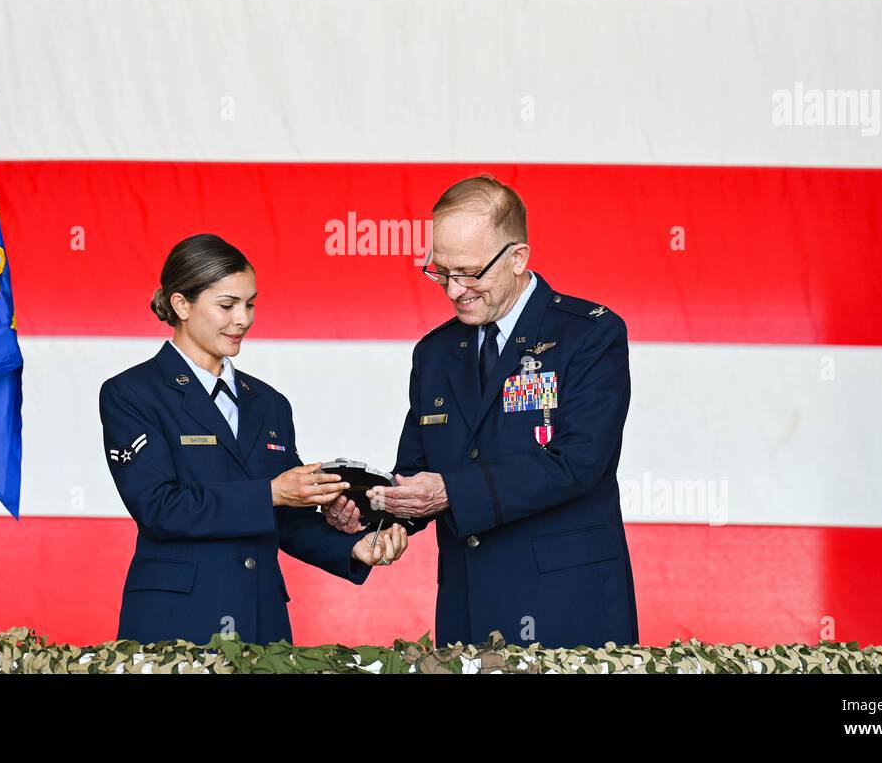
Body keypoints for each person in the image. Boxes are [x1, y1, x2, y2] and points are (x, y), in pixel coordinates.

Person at [323, 176, 637, 648]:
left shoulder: (591, 335)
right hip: (468, 605)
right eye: (441, 272)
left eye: (470, 273)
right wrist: (374, 513)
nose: (454, 291)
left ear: (518, 258)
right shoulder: (434, 352)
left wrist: (450, 492)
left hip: (569, 605)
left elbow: (579, 464)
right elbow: (417, 474)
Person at [100, 233, 409, 646]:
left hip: (262, 622)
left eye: (250, 304)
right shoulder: (131, 393)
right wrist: (272, 492)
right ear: (181, 304)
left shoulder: (269, 403)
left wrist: (352, 548)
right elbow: (160, 508)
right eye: (227, 305)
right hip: (174, 623)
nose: (242, 319)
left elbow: (286, 517)